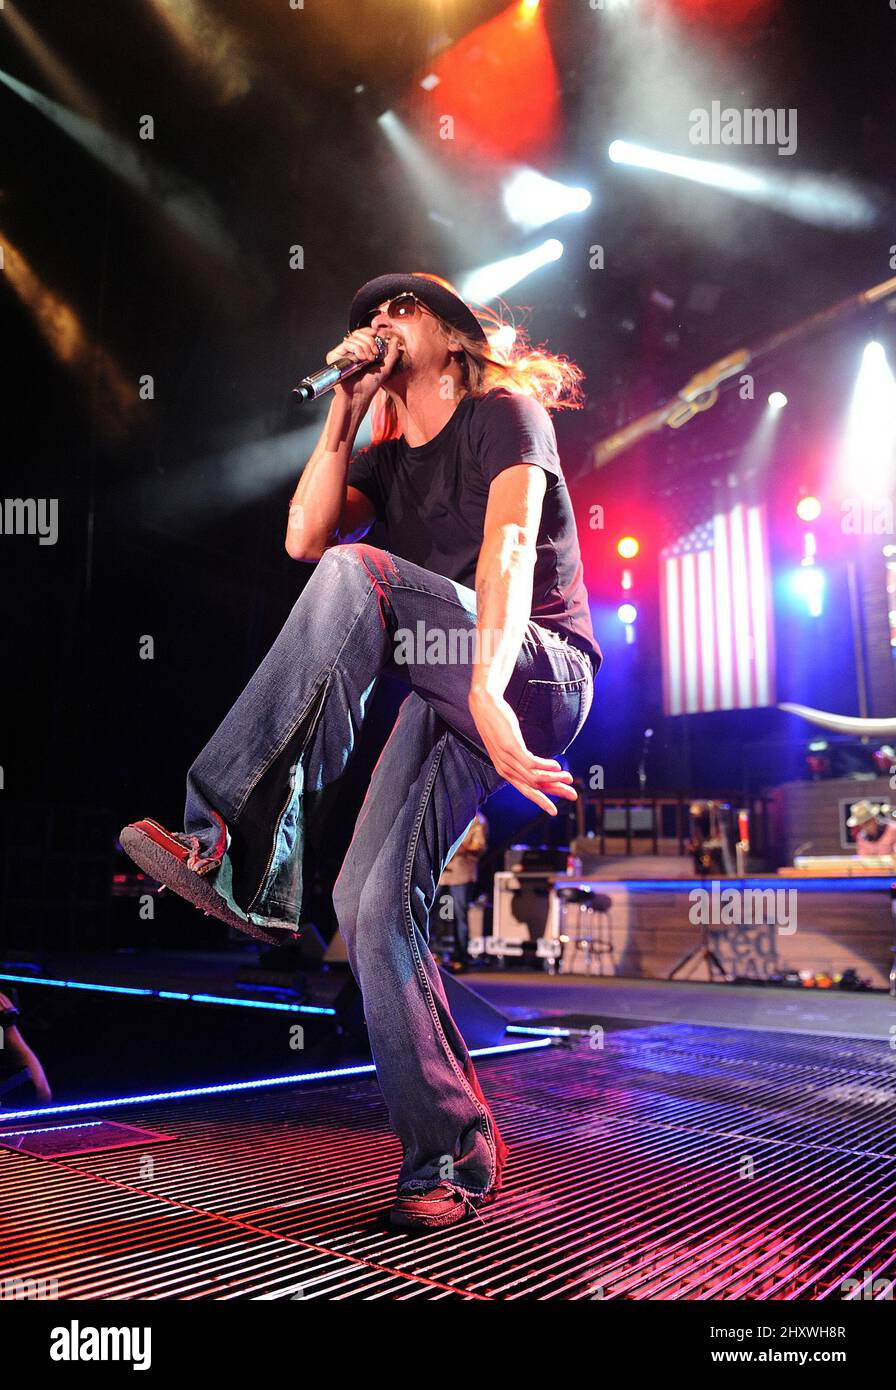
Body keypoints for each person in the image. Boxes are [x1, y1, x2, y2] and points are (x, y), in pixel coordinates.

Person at [120, 272, 601, 1230]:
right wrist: (343, 415)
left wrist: (488, 695)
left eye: (399, 311)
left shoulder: (505, 415)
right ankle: (450, 1153)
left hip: (535, 669)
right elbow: (302, 535)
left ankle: (232, 843)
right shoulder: (385, 456)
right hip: (454, 682)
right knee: (366, 904)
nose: (377, 323)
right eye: (366, 318)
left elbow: (506, 553)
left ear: (454, 337)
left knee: (363, 571)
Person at [437, 810, 488, 970]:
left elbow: (479, 846)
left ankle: (461, 956)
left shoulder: (476, 819)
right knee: (431, 911)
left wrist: (460, 847)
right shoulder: (444, 813)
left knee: (459, 913)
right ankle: (433, 953)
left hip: (461, 872)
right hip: (440, 872)